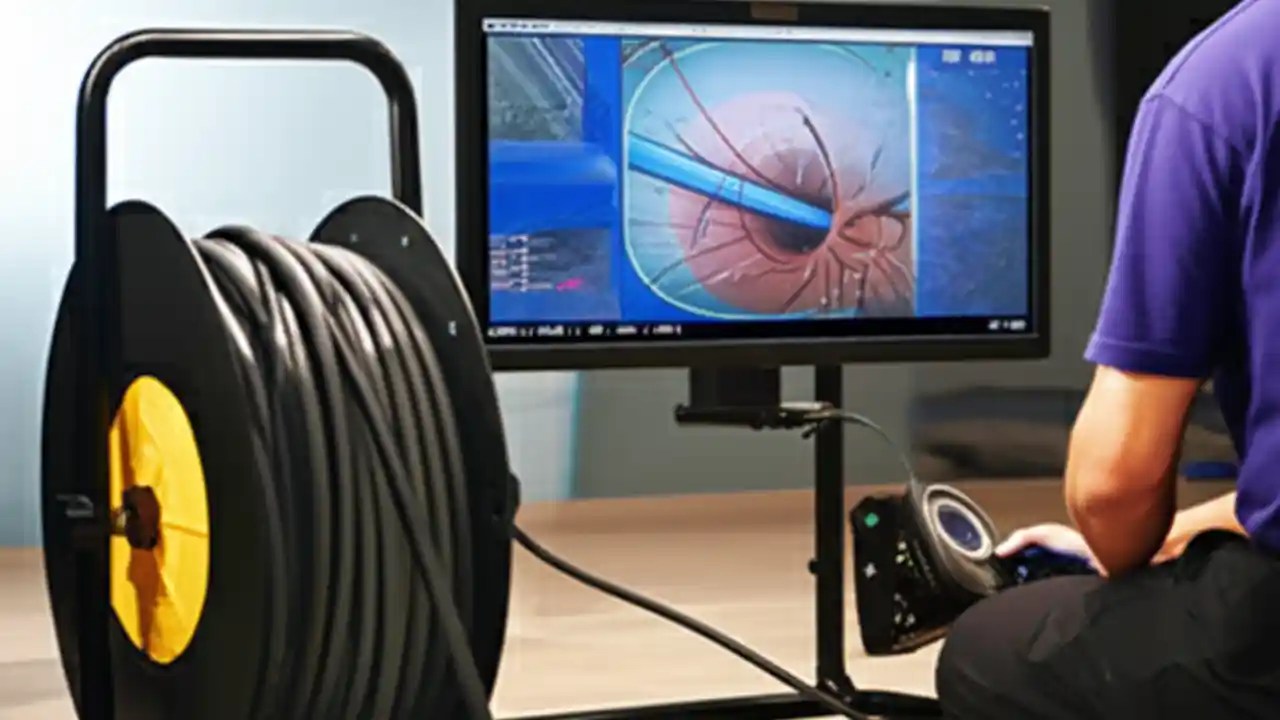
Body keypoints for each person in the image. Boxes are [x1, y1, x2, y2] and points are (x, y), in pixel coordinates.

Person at [935, 1, 1280, 717]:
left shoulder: (1230, 76)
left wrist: (1123, 547)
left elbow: (1113, 488)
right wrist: (1186, 535)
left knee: (993, 650)